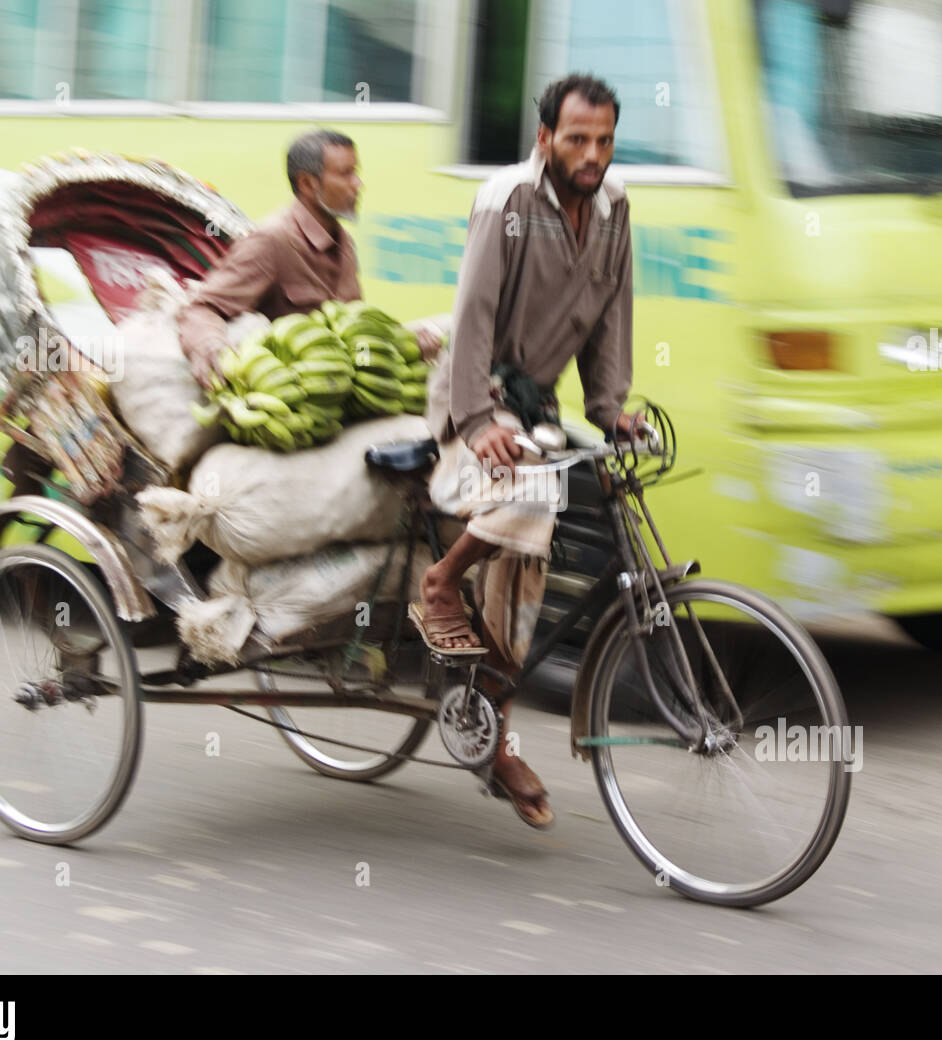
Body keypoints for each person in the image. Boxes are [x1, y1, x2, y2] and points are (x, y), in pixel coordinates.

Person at [413, 74, 646, 829]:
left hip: (536, 409)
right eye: (576, 138)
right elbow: (473, 313)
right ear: (545, 138)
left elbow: (613, 321)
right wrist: (478, 419)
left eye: (604, 140)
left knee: (530, 575)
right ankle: (442, 582)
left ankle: (494, 737)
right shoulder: (506, 202)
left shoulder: (614, 212)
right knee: (532, 492)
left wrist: (611, 412)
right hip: (472, 399)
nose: (592, 154)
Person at [177, 128, 442, 388]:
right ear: (307, 183)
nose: (358, 185)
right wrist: (210, 345)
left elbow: (353, 325)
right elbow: (203, 307)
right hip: (294, 392)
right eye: (345, 174)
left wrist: (403, 341)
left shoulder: (344, 242)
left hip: (341, 386)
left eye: (356, 173)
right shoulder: (271, 240)